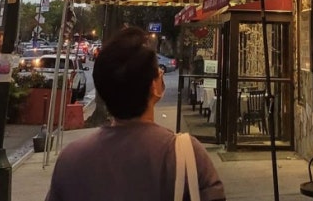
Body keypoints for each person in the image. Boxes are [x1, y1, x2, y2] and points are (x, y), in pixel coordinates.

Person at [44, 26, 225, 201]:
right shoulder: (186, 155)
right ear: (154, 86)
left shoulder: (70, 160)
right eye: (159, 72)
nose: (161, 75)